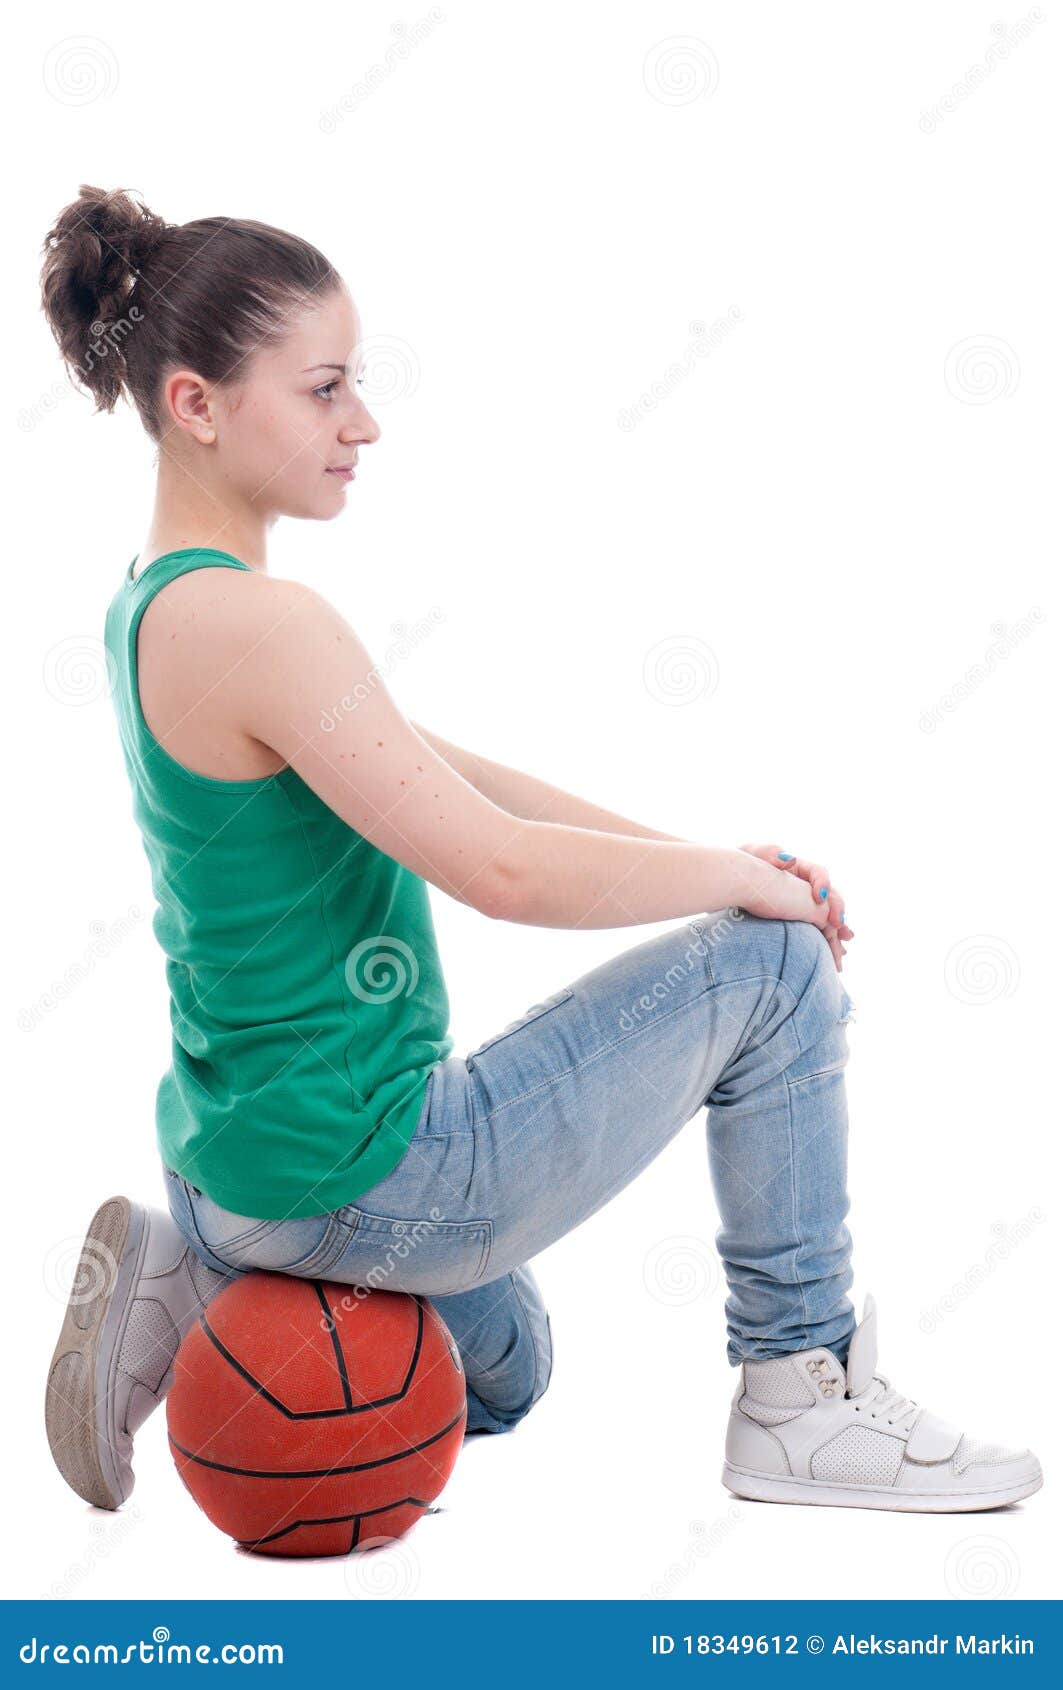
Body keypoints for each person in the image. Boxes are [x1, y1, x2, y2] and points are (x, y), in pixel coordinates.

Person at [40, 186, 1040, 1521]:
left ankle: (196, 1283)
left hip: (230, 1168)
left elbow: (441, 770)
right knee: (781, 969)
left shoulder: (155, 603)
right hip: (371, 1162)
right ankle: (797, 1393)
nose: (366, 422)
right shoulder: (268, 625)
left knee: (506, 1373)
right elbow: (499, 869)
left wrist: (712, 855)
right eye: (327, 387)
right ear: (198, 403)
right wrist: (755, 903)